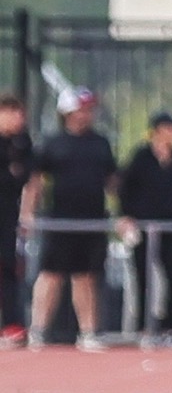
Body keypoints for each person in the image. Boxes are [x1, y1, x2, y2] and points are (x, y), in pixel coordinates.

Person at [23, 88, 118, 352]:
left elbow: (112, 180)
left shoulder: (101, 143)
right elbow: (36, 181)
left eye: (89, 109)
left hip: (92, 221)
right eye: (81, 109)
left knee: (86, 277)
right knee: (51, 275)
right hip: (60, 221)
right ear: (67, 112)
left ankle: (88, 332)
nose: (86, 114)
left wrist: (123, 211)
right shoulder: (53, 143)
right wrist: (28, 213)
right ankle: (38, 330)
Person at [116, 110, 172, 349]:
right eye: (168, 129)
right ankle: (144, 324)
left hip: (169, 225)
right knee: (142, 275)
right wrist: (126, 216)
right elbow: (125, 188)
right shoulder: (141, 157)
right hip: (143, 225)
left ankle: (169, 325)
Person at [0, 93, 30, 348]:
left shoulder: (22, 143)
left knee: (8, 268)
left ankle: (11, 325)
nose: (19, 119)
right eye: (13, 113)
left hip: (7, 216)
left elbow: (25, 176)